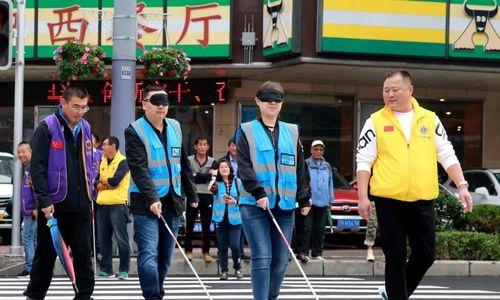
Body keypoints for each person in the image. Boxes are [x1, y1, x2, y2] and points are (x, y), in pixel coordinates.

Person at [356, 70, 473, 300]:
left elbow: (447, 154)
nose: (389, 94)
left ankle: (393, 293)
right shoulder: (375, 121)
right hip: (388, 200)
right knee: (395, 255)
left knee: (426, 255)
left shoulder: (429, 119)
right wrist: (362, 196)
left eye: (395, 90)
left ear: (410, 90)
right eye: (385, 90)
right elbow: (363, 161)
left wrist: (461, 185)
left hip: (422, 198)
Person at [237, 81, 311, 300]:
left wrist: (304, 197)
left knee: (280, 260)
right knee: (262, 256)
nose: (272, 103)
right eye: (267, 99)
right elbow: (244, 166)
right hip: (254, 205)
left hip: (285, 206)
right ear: (257, 101)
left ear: (282, 103)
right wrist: (258, 192)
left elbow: (300, 167)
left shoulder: (292, 132)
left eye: (277, 99)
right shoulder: (246, 131)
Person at [125, 85, 198, 300]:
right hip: (145, 201)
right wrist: (152, 198)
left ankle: (158, 290)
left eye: (165, 102)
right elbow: (138, 168)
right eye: (156, 102)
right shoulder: (134, 130)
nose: (161, 107)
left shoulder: (175, 126)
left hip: (172, 200)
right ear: (144, 104)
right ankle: (153, 296)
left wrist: (191, 193)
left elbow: (182, 161)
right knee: (148, 252)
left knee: (165, 256)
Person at [24, 84, 95, 300]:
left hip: (82, 203)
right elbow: (36, 168)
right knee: (46, 255)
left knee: (83, 254)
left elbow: (90, 162)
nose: (80, 111)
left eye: (84, 107)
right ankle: (35, 295)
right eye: (76, 106)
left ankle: (84, 295)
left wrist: (91, 192)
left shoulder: (86, 127)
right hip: (54, 205)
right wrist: (44, 201)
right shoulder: (46, 127)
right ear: (62, 103)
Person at [94, 136, 131, 279]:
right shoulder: (102, 161)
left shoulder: (123, 161)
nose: (102, 147)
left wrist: (103, 184)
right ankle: (106, 269)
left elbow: (116, 181)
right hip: (102, 203)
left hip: (117, 204)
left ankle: (124, 270)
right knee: (103, 239)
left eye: (104, 144)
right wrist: (103, 183)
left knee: (121, 238)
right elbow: (95, 181)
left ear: (113, 146)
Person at [295, 140, 334, 263]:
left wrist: (330, 200)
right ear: (311, 150)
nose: (318, 152)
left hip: (323, 202)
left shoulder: (327, 165)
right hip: (308, 201)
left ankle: (317, 253)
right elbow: (301, 181)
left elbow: (330, 183)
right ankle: (303, 252)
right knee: (305, 228)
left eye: (321, 149)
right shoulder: (305, 163)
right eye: (316, 149)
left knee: (320, 229)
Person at [208, 159, 244, 280]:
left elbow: (244, 199)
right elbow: (211, 189)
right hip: (220, 219)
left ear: (230, 169)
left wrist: (235, 201)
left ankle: (237, 268)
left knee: (235, 245)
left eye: (226, 167)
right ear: (218, 170)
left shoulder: (238, 182)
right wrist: (213, 178)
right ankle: (224, 270)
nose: (224, 169)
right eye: (221, 167)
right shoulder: (216, 183)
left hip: (236, 219)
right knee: (222, 246)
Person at [219, 138, 251, 262]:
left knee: (240, 224)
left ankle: (240, 252)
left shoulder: (246, 159)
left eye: (238, 145)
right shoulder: (223, 161)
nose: (235, 148)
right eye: (233, 145)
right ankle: (223, 257)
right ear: (229, 147)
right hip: (228, 192)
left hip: (244, 191)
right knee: (227, 231)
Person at [185, 137, 216, 262]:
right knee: (190, 224)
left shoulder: (213, 161)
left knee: (206, 225)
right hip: (193, 194)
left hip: (208, 194)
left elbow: (213, 176)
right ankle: (188, 250)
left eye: (205, 145)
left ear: (208, 147)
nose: (203, 147)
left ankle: (206, 252)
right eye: (200, 145)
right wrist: (205, 175)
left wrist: (196, 175)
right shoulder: (189, 160)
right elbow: (188, 176)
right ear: (195, 146)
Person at [17, 141, 37, 278]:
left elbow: (37, 188)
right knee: (34, 239)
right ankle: (34, 267)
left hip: (32, 209)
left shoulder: (32, 168)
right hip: (28, 208)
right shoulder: (27, 167)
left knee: (28, 238)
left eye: (23, 151)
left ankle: (29, 268)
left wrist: (36, 207)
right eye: (18, 152)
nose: (20, 154)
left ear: (30, 151)